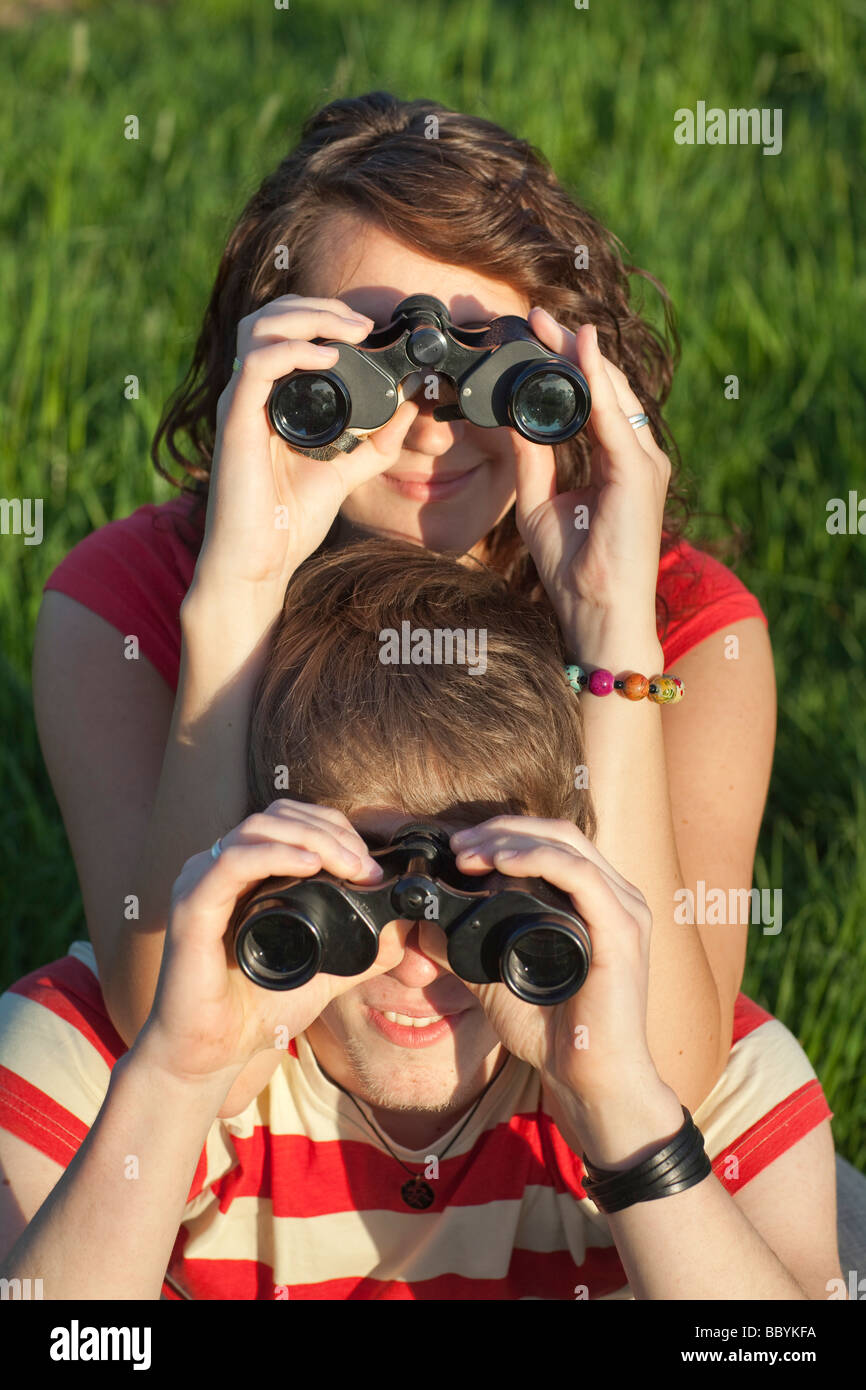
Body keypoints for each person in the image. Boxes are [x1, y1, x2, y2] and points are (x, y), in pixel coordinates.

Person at [28, 92, 776, 1141]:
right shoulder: (125, 605)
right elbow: (180, 1038)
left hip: (544, 1146)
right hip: (252, 1142)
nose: (430, 420)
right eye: (371, 361)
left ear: (569, 367)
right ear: (270, 360)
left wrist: (610, 632)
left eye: (486, 364)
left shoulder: (686, 624)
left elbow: (668, 1069)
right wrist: (240, 594)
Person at [0, 539, 843, 1300]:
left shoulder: (689, 1088)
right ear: (261, 862)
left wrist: (623, 1113)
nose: (417, 957)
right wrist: (178, 1081)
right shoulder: (99, 1066)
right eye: (356, 886)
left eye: (486, 890)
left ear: (570, 879)